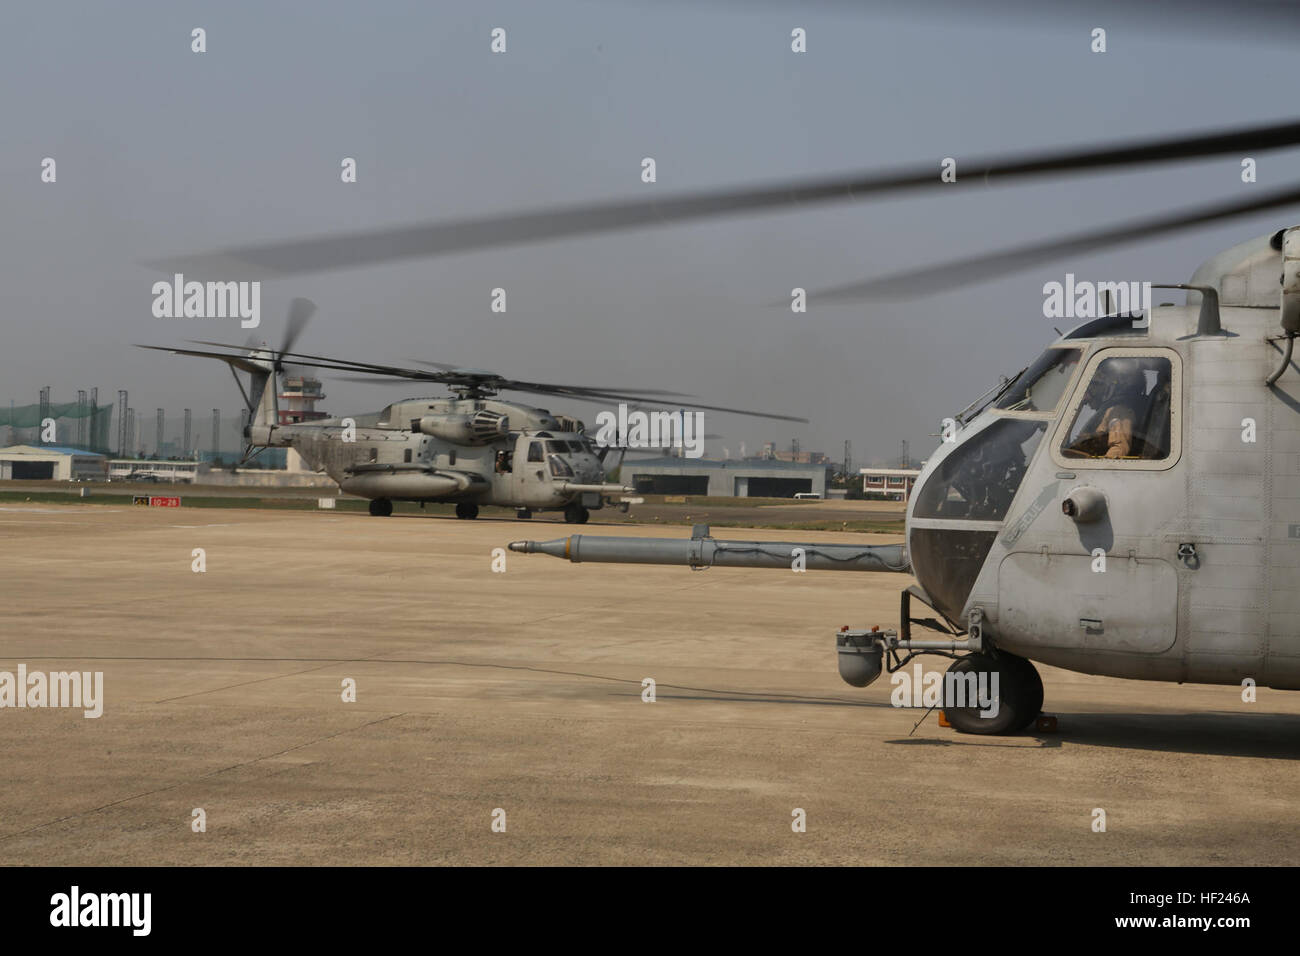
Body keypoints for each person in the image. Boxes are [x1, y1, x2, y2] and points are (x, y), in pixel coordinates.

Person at [1067, 359, 1148, 459]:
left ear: (1112, 387)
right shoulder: (1106, 412)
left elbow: (1119, 449)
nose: (1089, 392)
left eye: (1095, 385)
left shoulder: (1117, 412)